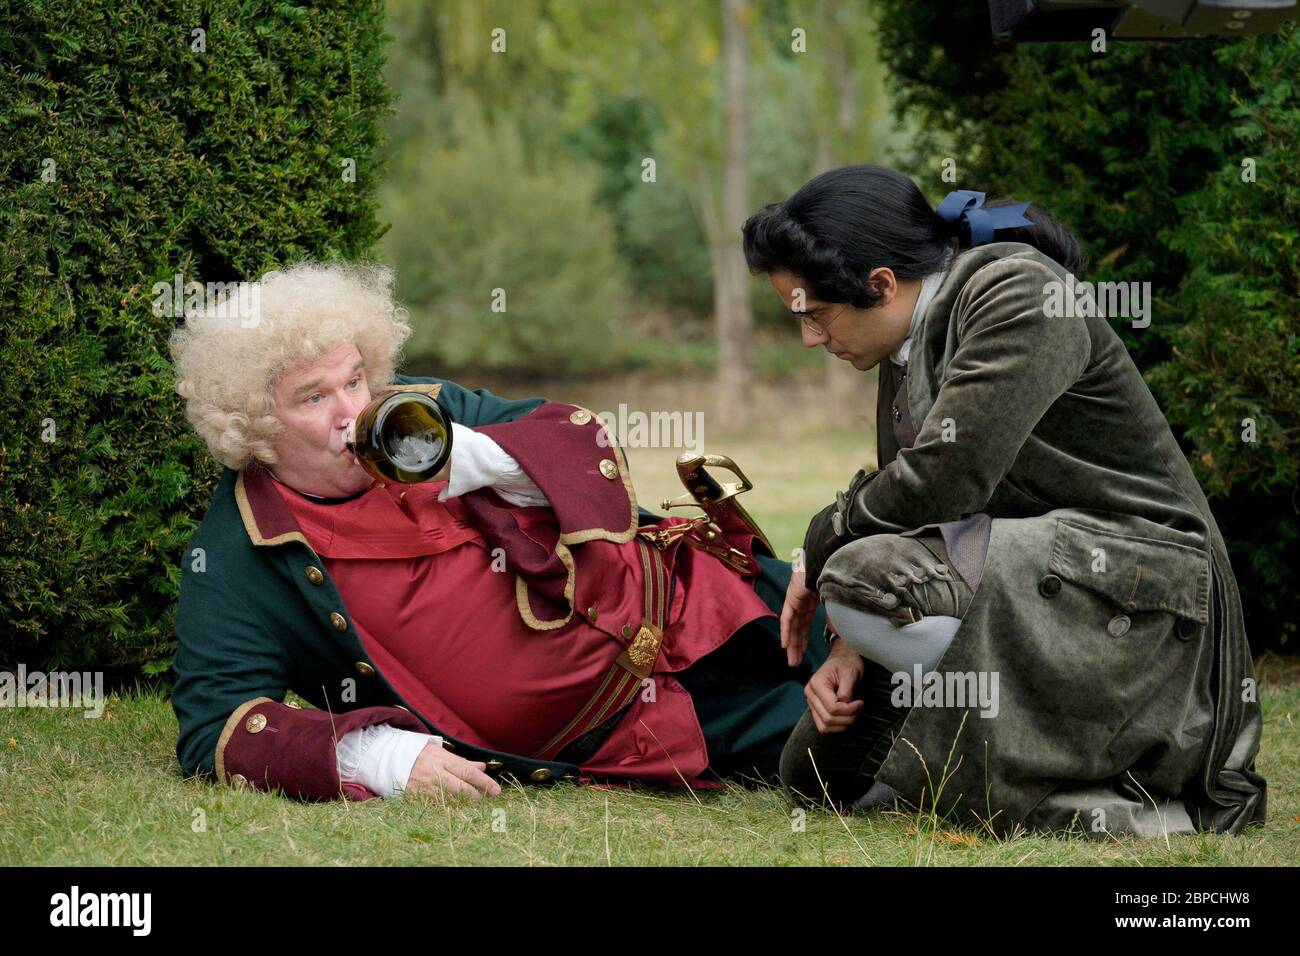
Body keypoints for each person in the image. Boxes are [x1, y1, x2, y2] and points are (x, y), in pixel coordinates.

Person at [168, 261, 828, 803]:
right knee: (843, 745)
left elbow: (585, 443)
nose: (352, 412)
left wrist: (476, 455)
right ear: (257, 425)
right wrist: (380, 755)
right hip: (631, 727)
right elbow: (216, 727)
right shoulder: (234, 554)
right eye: (314, 397)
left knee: (864, 627)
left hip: (692, 595)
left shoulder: (420, 410)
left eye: (355, 380)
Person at [741, 164, 1266, 838]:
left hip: (1149, 594)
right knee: (817, 774)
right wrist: (846, 644)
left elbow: (945, 478)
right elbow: (909, 508)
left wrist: (821, 548)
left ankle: (1128, 797)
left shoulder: (1019, 291)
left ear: (881, 284)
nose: (811, 339)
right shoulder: (907, 345)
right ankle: (1003, 764)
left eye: (815, 315)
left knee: (862, 577)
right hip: (1043, 577)